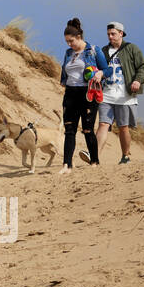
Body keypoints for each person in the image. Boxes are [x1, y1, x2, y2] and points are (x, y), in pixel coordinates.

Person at [95, 21, 144, 165]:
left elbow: (142, 67)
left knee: (123, 128)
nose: (110, 37)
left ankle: (125, 156)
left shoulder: (132, 49)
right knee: (103, 124)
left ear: (121, 34)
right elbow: (97, 67)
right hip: (106, 94)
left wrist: (137, 80)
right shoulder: (104, 51)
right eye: (108, 34)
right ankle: (95, 157)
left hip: (125, 96)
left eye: (113, 34)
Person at [58, 19, 105, 174]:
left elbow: (107, 69)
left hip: (87, 93)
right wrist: (63, 81)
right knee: (69, 129)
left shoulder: (93, 50)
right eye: (67, 42)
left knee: (87, 129)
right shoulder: (68, 53)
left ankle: (94, 161)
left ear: (78, 36)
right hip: (71, 93)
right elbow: (65, 71)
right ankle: (67, 165)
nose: (69, 44)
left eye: (71, 41)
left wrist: (100, 73)